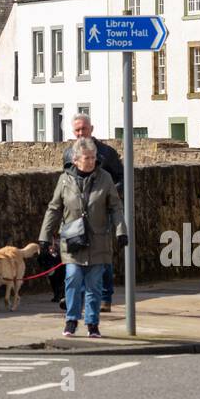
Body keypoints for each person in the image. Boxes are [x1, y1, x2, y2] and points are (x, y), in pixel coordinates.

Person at [40, 136, 127, 338]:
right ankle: (71, 320)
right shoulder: (65, 180)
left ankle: (92, 323)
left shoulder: (105, 178)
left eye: (93, 157)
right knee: (72, 278)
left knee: (94, 285)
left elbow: (115, 207)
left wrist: (121, 231)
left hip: (98, 241)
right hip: (73, 240)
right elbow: (54, 209)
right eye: (86, 157)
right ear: (76, 159)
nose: (91, 161)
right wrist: (44, 236)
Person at [62, 113, 123, 312]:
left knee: (102, 256)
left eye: (84, 129)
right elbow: (66, 182)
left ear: (91, 129)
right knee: (75, 255)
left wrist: (106, 195)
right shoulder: (68, 154)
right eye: (77, 130)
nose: (81, 133)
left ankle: (105, 297)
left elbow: (122, 179)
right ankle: (77, 296)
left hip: (100, 213)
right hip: (76, 214)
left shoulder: (107, 153)